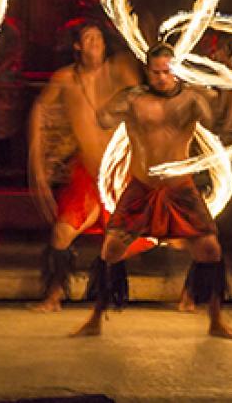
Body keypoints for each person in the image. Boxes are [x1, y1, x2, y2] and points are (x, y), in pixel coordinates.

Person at [71, 43, 232, 339]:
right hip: (143, 187)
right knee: (110, 249)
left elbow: (219, 123)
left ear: (175, 70)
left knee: (211, 250)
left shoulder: (191, 99)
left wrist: (226, 82)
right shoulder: (133, 99)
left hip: (180, 188)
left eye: (167, 71)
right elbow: (103, 119)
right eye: (156, 72)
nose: (162, 78)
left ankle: (216, 321)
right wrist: (106, 88)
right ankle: (95, 318)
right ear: (147, 71)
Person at [28, 20, 151, 311]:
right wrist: (37, 154)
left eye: (99, 38)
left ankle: (117, 296)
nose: (95, 42)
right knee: (61, 233)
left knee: (137, 239)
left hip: (119, 174)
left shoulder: (119, 70)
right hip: (86, 173)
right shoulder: (66, 79)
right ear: (77, 46)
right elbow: (39, 108)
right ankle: (54, 296)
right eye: (88, 38)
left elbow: (143, 95)